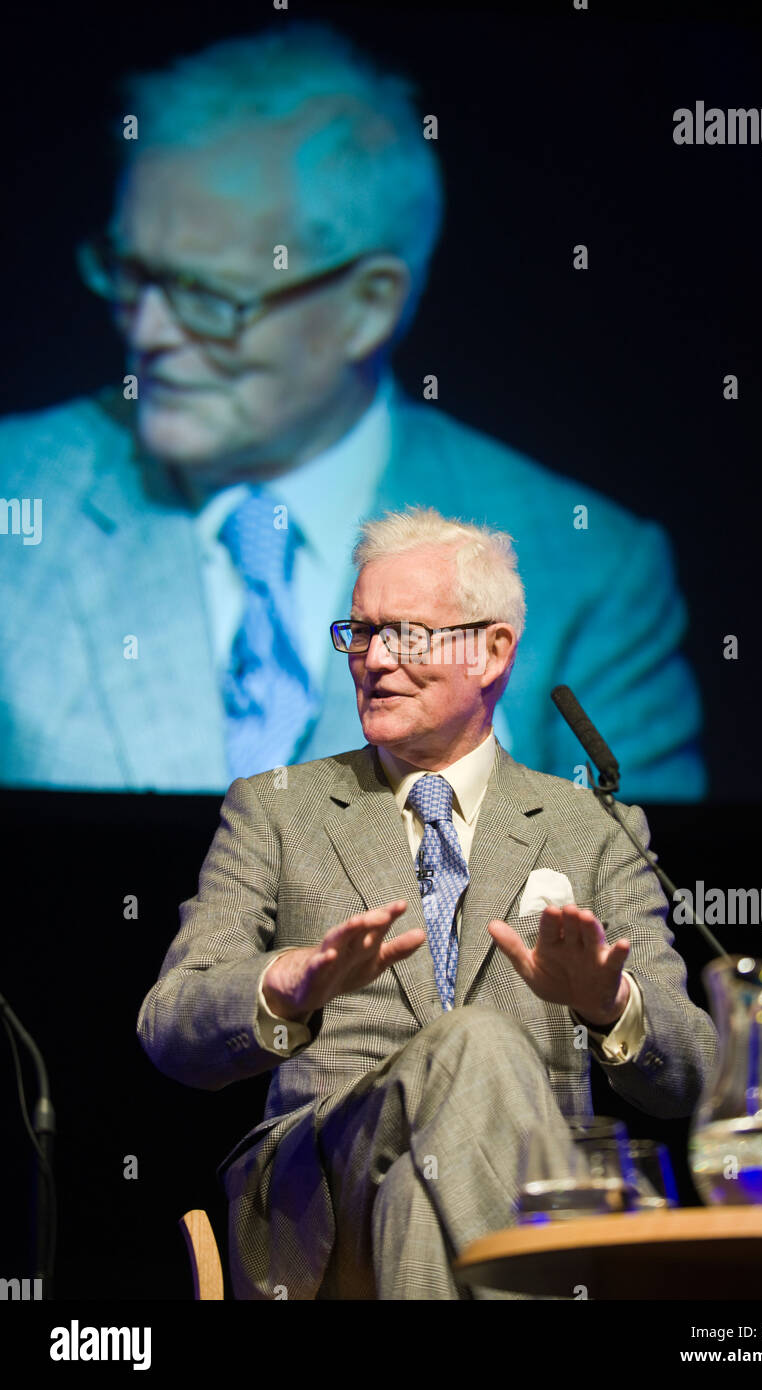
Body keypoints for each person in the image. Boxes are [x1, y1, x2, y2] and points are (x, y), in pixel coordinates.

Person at [0, 23, 705, 801]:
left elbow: (633, 905)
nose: (147, 331)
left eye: (207, 296)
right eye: (132, 273)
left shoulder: (588, 572)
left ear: (368, 305)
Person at [137, 508, 718, 1300]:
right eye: (360, 632)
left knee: (420, 1196)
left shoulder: (593, 827)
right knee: (473, 1041)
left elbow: (693, 1073)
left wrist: (610, 1003)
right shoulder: (276, 809)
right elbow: (171, 1027)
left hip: (521, 1199)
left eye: (406, 634)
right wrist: (283, 988)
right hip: (323, 1201)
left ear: (492, 650)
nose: (374, 660)